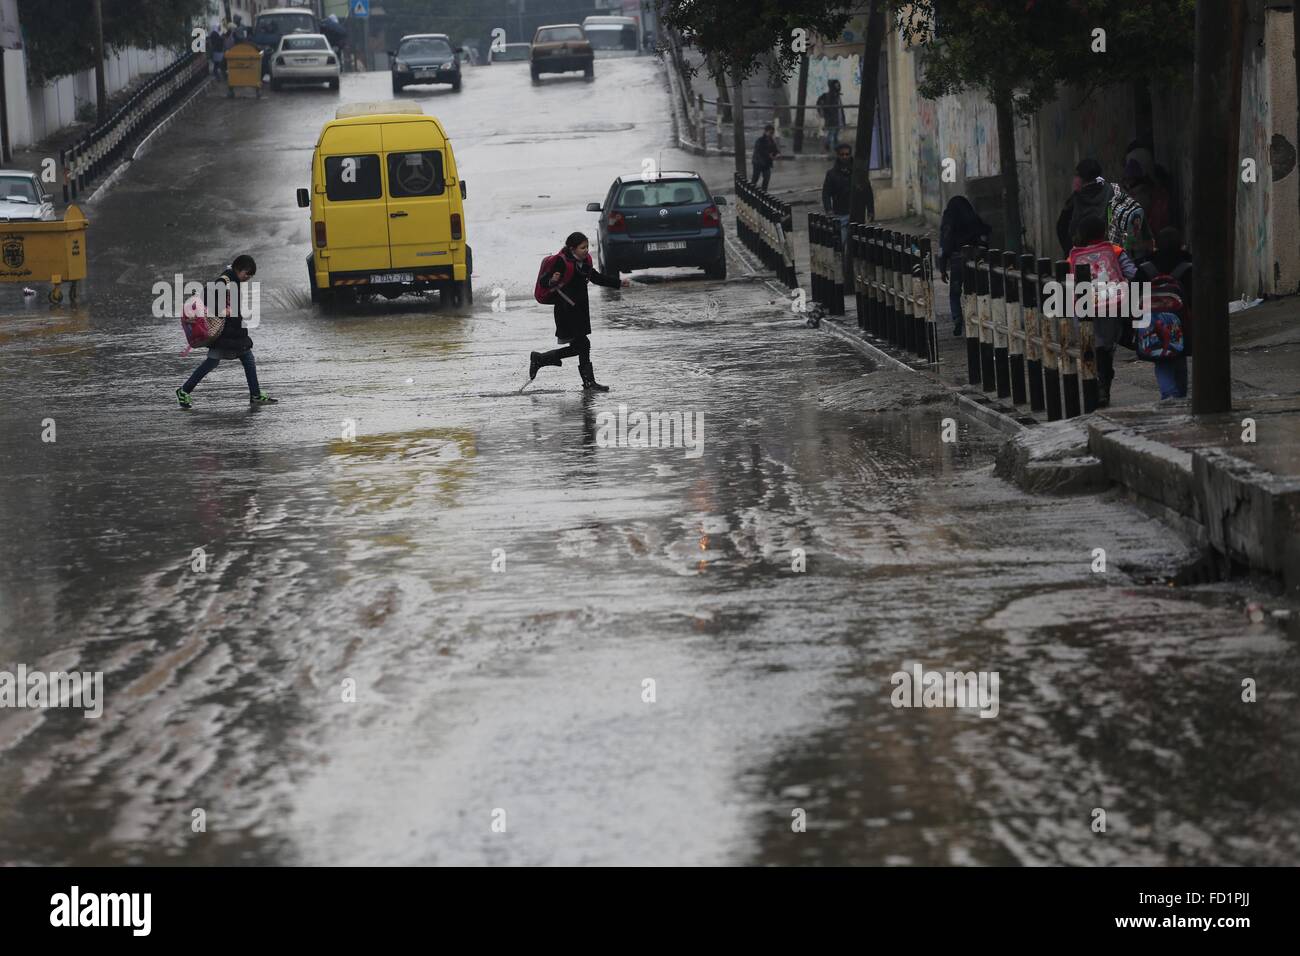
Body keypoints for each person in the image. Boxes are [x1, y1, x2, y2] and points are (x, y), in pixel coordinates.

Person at [528, 232, 630, 391]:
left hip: (580, 310)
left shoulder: (585, 262)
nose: (586, 250)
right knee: (583, 344)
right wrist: (552, 280)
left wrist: (618, 283)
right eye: (582, 247)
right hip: (566, 311)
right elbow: (544, 281)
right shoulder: (562, 262)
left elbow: (596, 278)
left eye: (587, 247)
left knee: (580, 347)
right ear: (572, 248)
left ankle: (541, 359)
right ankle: (588, 382)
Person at [176, 255, 277, 408]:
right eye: (247, 273)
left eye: (250, 275)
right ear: (238, 269)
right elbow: (205, 299)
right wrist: (224, 311)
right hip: (225, 333)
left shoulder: (232, 280)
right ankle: (184, 390)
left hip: (231, 333)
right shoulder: (224, 281)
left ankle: (255, 394)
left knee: (233, 360)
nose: (248, 277)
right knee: (225, 361)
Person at [1068, 214, 1137, 408]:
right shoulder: (1115, 250)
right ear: (1104, 232)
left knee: (1090, 347)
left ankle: (1095, 388)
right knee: (1106, 348)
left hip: (1083, 308)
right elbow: (1132, 273)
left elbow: (1066, 281)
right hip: (1111, 306)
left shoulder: (1074, 254)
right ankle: (1103, 387)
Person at [1056, 157, 1150, 260]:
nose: (1074, 179)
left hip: (1084, 260)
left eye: (1077, 175)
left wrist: (1070, 254)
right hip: (1113, 260)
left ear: (1081, 178)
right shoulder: (1115, 193)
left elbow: (1062, 228)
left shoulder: (1076, 201)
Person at [1138, 226, 1193, 399]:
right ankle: (1179, 396)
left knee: (1161, 361)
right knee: (1179, 359)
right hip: (1182, 327)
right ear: (1181, 245)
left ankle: (1170, 395)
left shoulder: (1145, 269)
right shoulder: (1189, 268)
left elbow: (1132, 300)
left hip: (1152, 326)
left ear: (1156, 245)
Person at [938, 195, 992, 337]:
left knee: (955, 293)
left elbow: (944, 243)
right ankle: (977, 317)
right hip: (974, 261)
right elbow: (984, 236)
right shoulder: (973, 219)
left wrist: (943, 268)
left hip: (956, 260)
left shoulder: (949, 219)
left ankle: (957, 318)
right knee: (974, 291)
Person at [815, 79, 847, 152]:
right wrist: (823, 113)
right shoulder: (829, 96)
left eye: (838, 85)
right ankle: (829, 148)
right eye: (836, 85)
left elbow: (840, 110)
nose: (838, 86)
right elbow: (820, 104)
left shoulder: (837, 96)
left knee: (835, 135)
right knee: (832, 134)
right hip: (832, 120)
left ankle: (833, 149)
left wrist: (843, 120)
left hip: (838, 119)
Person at [751, 124, 780, 191]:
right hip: (758, 163)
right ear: (765, 131)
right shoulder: (760, 140)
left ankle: (764, 193)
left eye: (772, 133)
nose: (771, 134)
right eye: (770, 133)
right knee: (755, 179)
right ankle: (750, 193)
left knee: (767, 178)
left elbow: (775, 149)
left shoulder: (771, 141)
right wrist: (769, 155)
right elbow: (759, 151)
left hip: (766, 163)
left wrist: (777, 154)